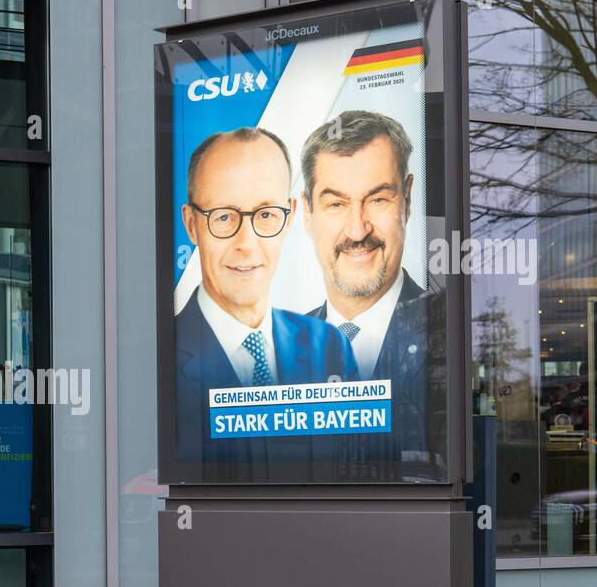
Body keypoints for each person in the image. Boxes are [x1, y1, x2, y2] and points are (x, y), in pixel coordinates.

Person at [175, 126, 357, 467]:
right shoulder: (156, 360)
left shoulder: (330, 347)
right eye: (224, 217)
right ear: (191, 224)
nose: (247, 243)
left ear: (288, 219)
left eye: (266, 215)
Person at [300, 109, 442, 474]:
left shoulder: (451, 333)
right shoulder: (271, 351)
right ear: (307, 213)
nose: (358, 229)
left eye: (378, 199)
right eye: (336, 204)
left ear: (407, 201)